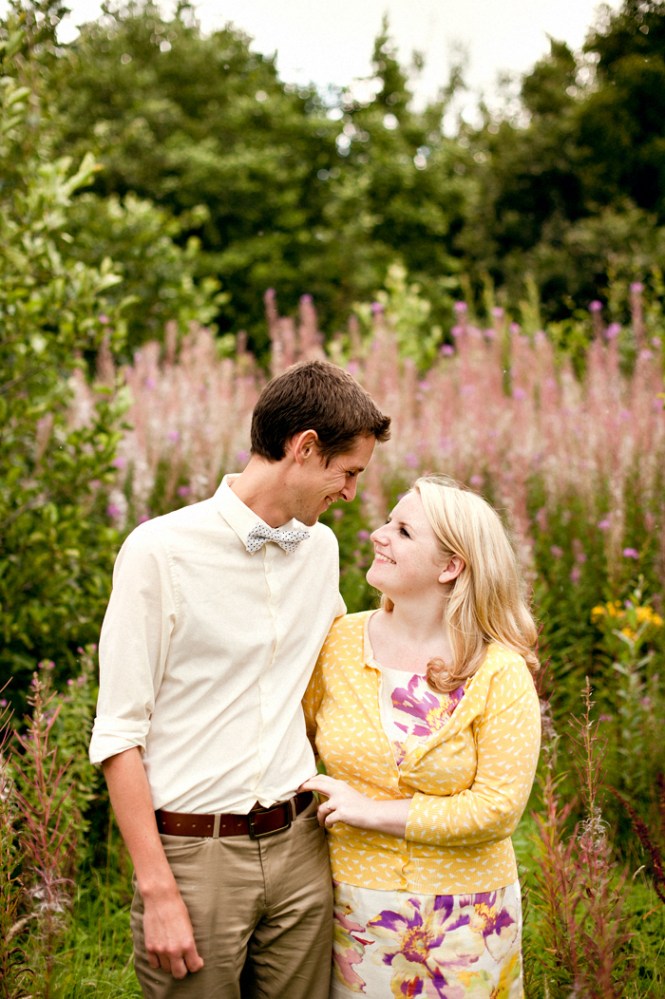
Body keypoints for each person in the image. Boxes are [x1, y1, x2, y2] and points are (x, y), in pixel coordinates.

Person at [89, 359, 391, 999]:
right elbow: (118, 734)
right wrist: (159, 890)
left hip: (302, 852)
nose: (351, 493)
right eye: (349, 473)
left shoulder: (322, 550)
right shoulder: (159, 553)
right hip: (197, 859)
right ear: (305, 449)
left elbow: (348, 660)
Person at [301, 475, 541, 998]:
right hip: (350, 910)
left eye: (403, 531)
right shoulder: (338, 641)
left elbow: (498, 808)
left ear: (450, 566)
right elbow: (294, 737)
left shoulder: (498, 670)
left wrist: (371, 812)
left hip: (468, 921)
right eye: (388, 522)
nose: (377, 535)